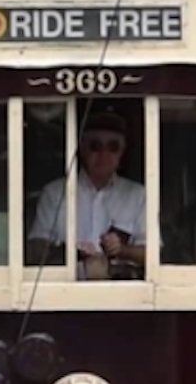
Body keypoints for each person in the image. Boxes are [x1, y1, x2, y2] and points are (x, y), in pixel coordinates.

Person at [27, 109, 146, 276]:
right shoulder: (54, 193)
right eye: (95, 146)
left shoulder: (138, 195)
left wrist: (122, 250)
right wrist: (68, 252)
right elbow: (34, 249)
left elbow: (153, 255)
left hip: (121, 293)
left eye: (113, 146)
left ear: (122, 151)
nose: (104, 154)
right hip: (64, 292)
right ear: (82, 148)